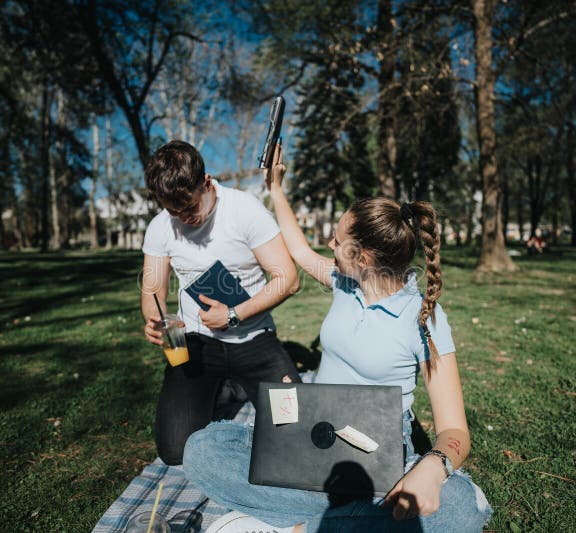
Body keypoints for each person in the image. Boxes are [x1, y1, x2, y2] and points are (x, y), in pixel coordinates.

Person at [182, 144, 492, 532]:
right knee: (202, 451)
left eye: (336, 239)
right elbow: (298, 249)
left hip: (378, 456)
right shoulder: (345, 283)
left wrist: (433, 468)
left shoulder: (424, 318)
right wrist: (276, 187)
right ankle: (339, 521)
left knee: (461, 508)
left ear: (362, 258)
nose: (328, 244)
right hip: (314, 431)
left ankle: (297, 523)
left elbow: (455, 430)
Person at [140, 140, 301, 466]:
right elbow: (153, 291)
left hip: (254, 338)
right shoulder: (160, 227)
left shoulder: (244, 210)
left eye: (190, 208)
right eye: (174, 212)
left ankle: (235, 385)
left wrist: (232, 314)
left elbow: (288, 278)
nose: (184, 219)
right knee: (175, 451)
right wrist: (155, 321)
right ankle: (224, 386)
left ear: (207, 182)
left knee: (296, 433)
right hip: (197, 343)